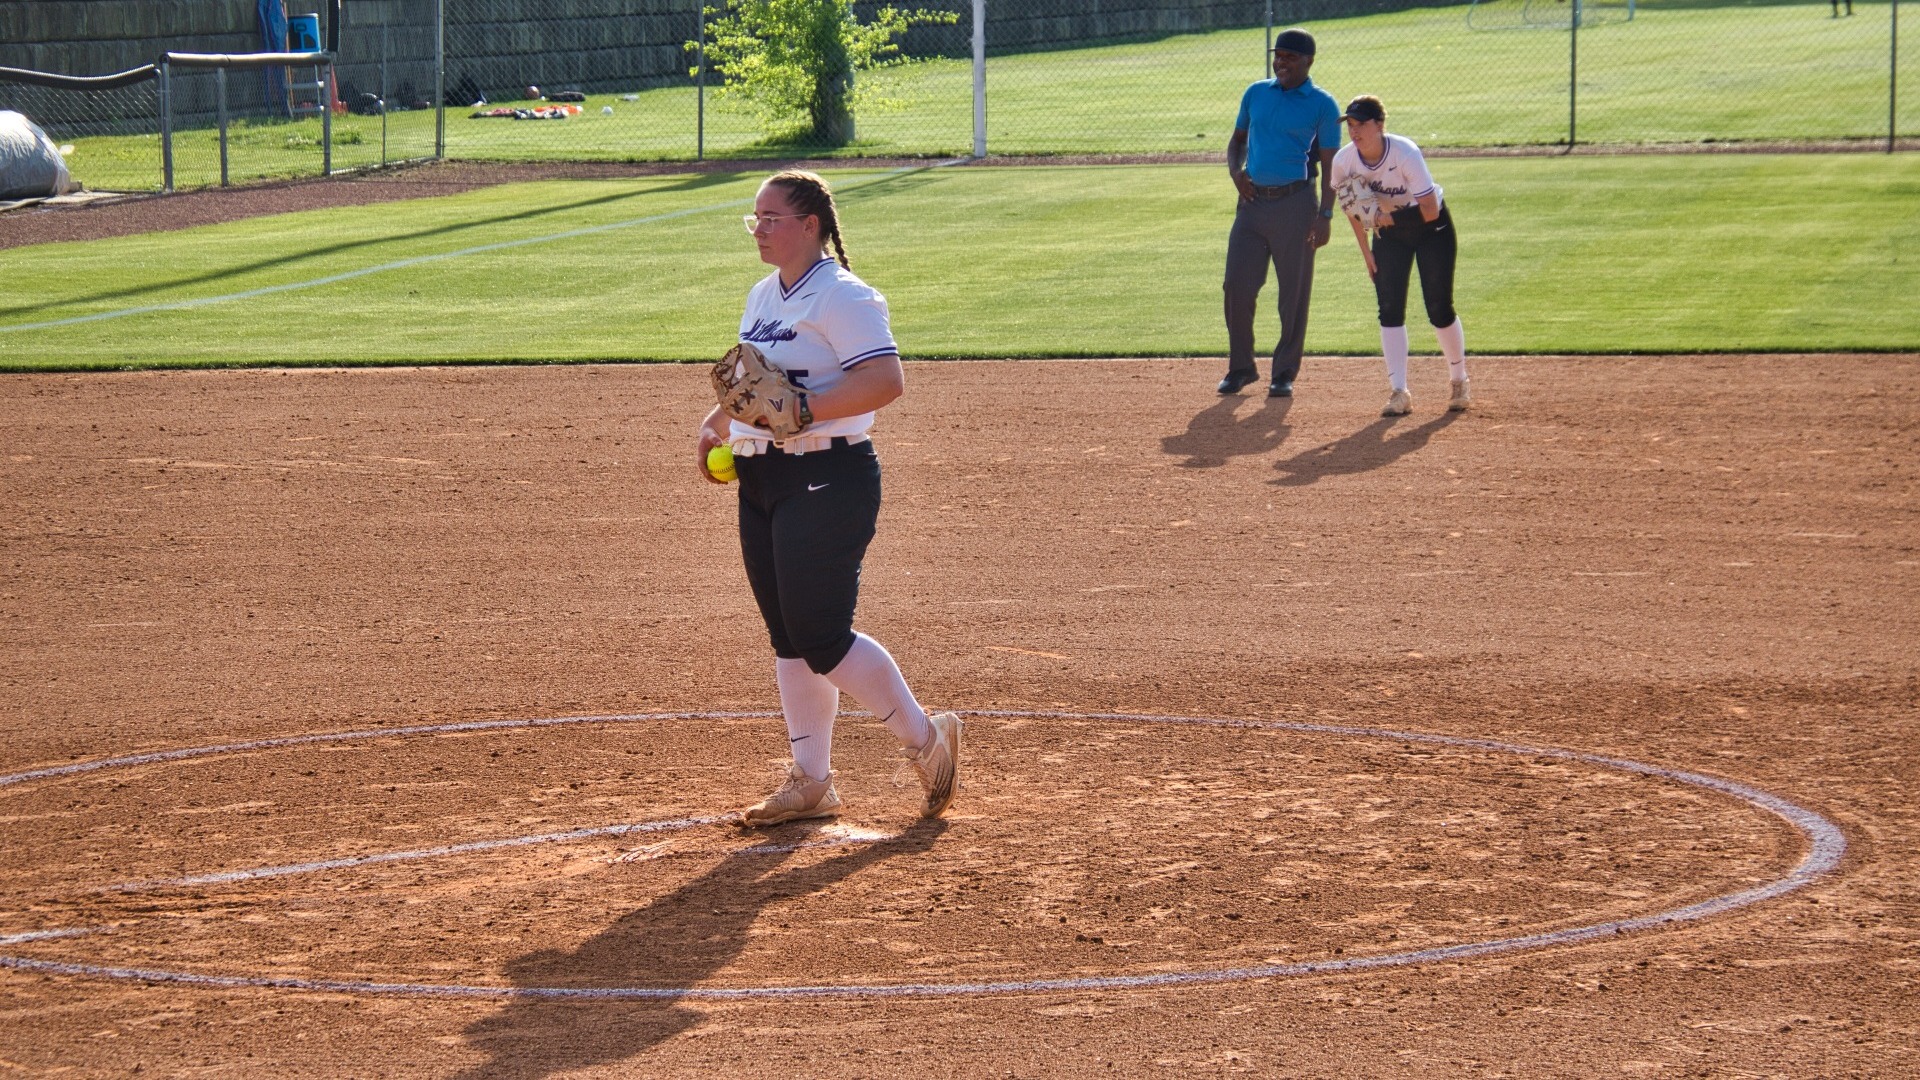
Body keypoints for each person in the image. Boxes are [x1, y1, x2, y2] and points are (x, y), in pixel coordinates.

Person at [696, 169, 961, 827]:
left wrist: (807, 409)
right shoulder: (763, 294)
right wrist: (718, 423)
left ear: (808, 225)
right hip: (762, 478)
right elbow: (758, 386)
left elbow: (884, 381)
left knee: (821, 635)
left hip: (829, 475)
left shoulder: (843, 297)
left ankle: (929, 742)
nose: (757, 228)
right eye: (753, 218)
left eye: (770, 217)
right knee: (789, 637)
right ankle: (812, 783)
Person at [1220, 27, 1344, 399]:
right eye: (1278, 55)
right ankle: (1241, 368)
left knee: (1293, 294)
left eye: (1290, 57)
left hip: (1296, 206)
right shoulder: (1255, 93)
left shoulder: (1323, 105)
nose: (1281, 62)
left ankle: (1284, 373)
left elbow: (1331, 166)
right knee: (1236, 288)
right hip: (1252, 205)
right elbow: (1237, 142)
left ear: (1309, 61)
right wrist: (1236, 173)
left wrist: (1325, 215)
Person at [1329, 94, 1472, 416]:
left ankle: (1459, 380)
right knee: (1389, 308)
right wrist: (1366, 253)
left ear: (1379, 125)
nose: (1354, 131)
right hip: (1389, 237)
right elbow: (1352, 210)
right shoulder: (1344, 161)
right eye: (1350, 125)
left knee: (1438, 306)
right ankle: (1399, 392)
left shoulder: (1404, 152)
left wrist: (1383, 219)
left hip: (1431, 230)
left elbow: (1431, 210)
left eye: (1361, 123)